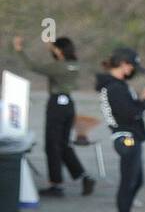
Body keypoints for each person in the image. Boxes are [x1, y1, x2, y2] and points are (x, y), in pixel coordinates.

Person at [10, 34, 92, 197]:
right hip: (68, 105)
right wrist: (52, 46)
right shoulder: (74, 65)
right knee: (63, 144)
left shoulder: (59, 67)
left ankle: (56, 184)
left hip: (56, 106)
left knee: (52, 146)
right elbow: (58, 60)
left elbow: (34, 66)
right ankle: (83, 176)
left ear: (60, 51)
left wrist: (19, 50)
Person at [96, 47, 145, 212]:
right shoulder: (115, 87)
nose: (133, 72)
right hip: (126, 138)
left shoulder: (117, 85)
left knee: (135, 180)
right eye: (132, 67)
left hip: (127, 136)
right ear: (124, 65)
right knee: (128, 181)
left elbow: (127, 110)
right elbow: (130, 113)